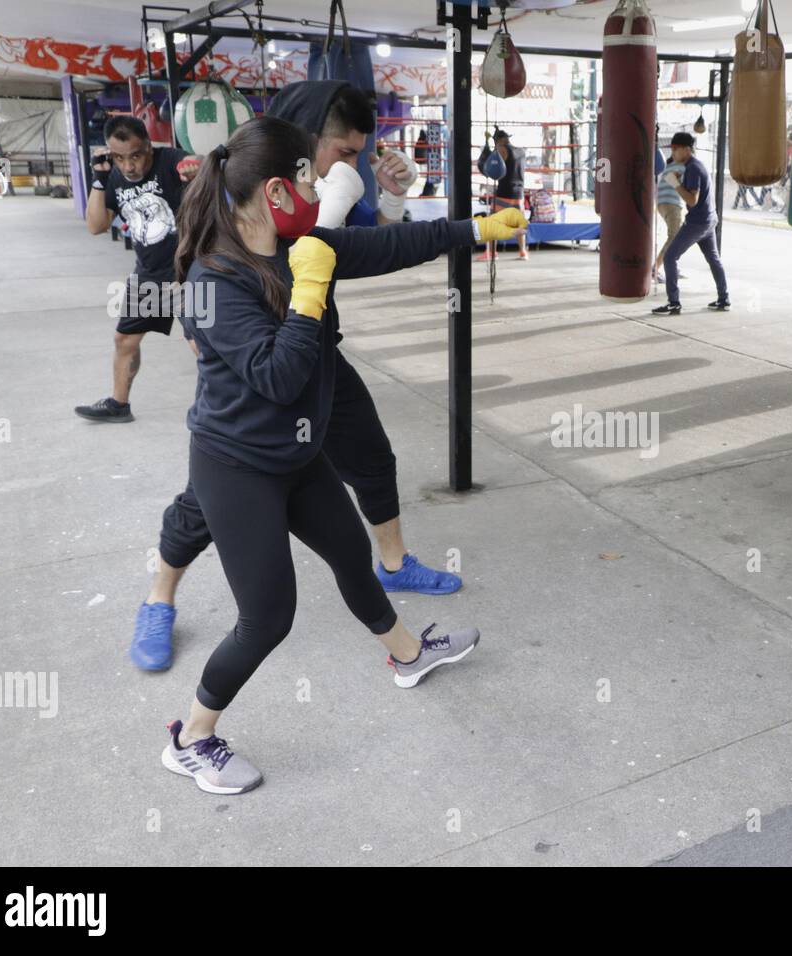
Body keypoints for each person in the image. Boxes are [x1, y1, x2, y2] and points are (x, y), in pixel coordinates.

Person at [160, 115, 522, 793]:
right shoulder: (214, 282)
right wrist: (307, 290)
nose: (321, 183)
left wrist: (473, 229)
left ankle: (410, 656)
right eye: (310, 174)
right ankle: (192, 737)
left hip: (297, 456)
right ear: (275, 190)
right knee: (268, 617)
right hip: (237, 467)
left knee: (356, 561)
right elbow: (276, 375)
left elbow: (388, 246)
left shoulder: (302, 242)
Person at [75, 115, 200, 422]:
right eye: (119, 158)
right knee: (125, 340)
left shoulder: (170, 159)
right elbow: (96, 226)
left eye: (135, 156)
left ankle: (236, 405)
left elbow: (200, 162)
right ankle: (119, 405)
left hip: (189, 272)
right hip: (148, 275)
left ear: (148, 145)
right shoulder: (114, 177)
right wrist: (99, 179)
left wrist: (196, 167)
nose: (129, 166)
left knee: (203, 344)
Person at [651, 132, 729, 316]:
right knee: (713, 259)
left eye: (676, 149)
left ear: (686, 149)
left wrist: (676, 184)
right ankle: (724, 299)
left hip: (698, 222)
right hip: (709, 219)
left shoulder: (693, 168)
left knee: (670, 257)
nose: (674, 153)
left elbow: (692, 200)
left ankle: (673, 303)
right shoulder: (694, 166)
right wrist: (680, 180)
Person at [477, 128, 528, 260]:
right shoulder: (521, 151)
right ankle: (523, 252)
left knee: (493, 222)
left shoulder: (503, 150)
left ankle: (492, 253)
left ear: (499, 141)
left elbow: (493, 170)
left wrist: (486, 155)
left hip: (504, 193)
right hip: (519, 194)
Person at [653, 145, 686, 284]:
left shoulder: (669, 167)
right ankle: (656, 268)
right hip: (672, 204)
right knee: (674, 237)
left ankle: (671, 267)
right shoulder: (683, 167)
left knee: (677, 237)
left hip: (662, 204)